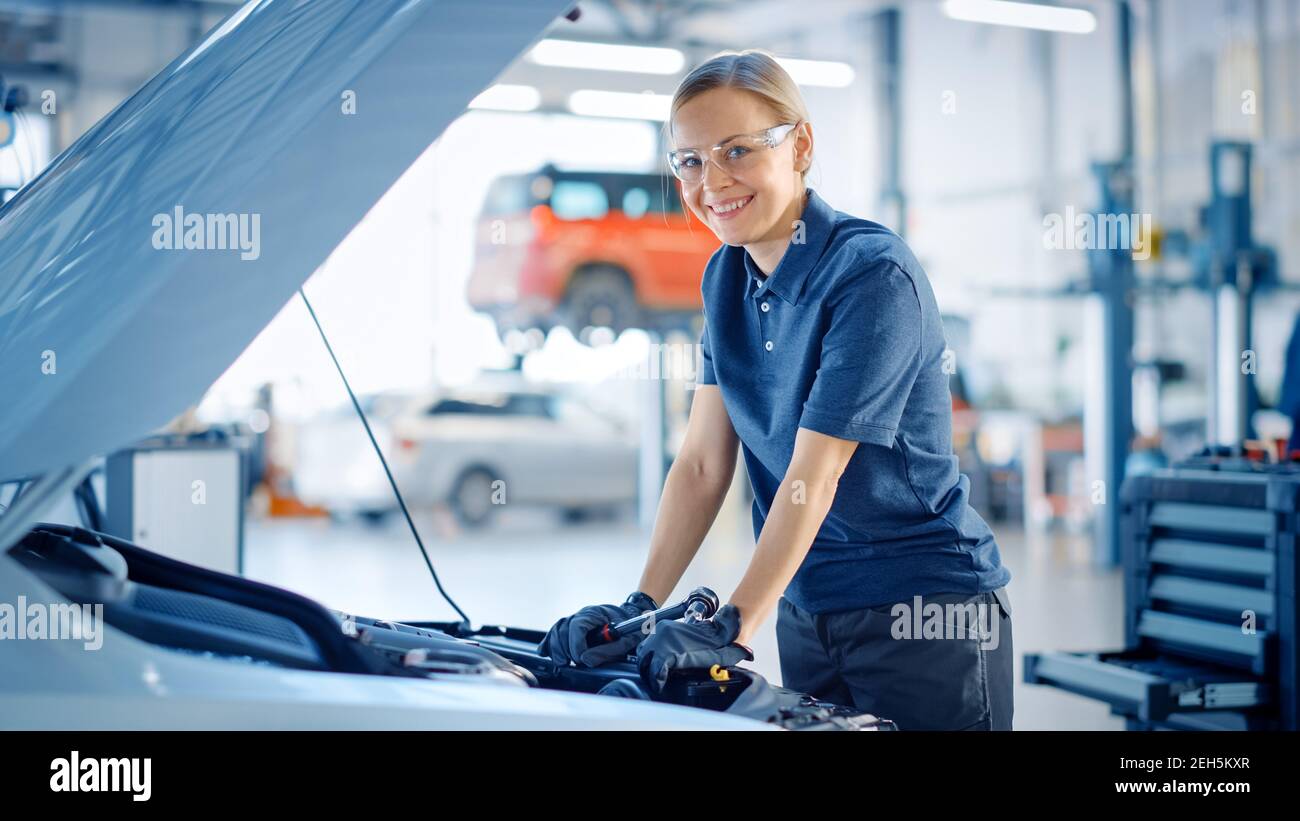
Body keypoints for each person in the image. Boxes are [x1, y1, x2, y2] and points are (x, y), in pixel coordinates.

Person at [538, 49, 1014, 730]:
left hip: (923, 609)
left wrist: (734, 626)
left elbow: (812, 476)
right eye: (691, 160)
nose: (712, 182)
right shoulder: (723, 280)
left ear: (800, 146)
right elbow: (704, 464)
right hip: (806, 605)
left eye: (737, 150)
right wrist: (637, 606)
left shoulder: (871, 276)